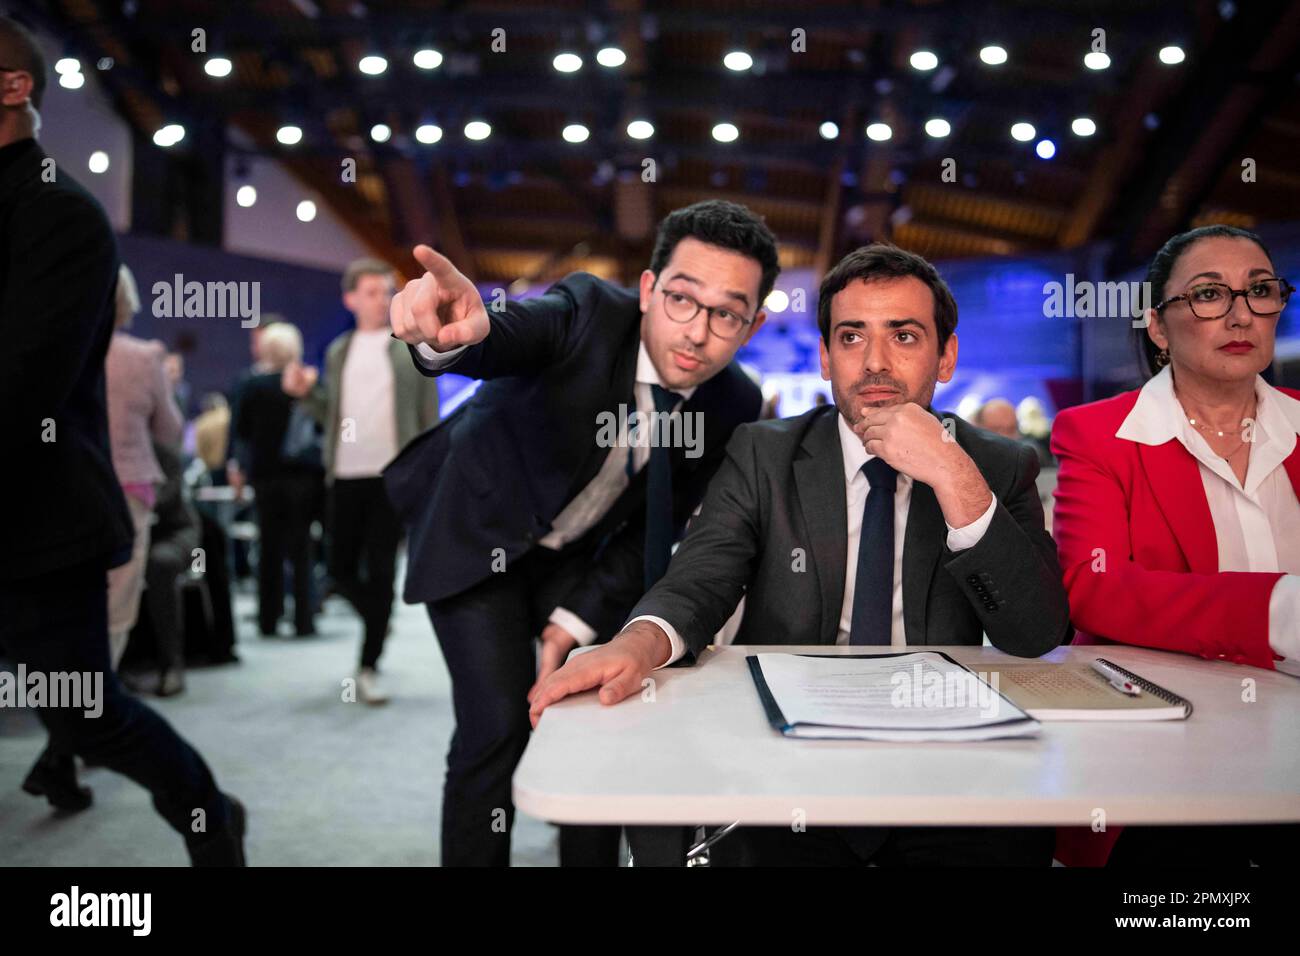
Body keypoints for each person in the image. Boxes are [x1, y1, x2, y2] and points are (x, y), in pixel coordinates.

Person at [529, 243, 1070, 867]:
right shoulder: (764, 452)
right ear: (824, 356)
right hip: (784, 764)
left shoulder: (998, 465)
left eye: (904, 336)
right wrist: (636, 643)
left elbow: (1035, 632)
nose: (874, 363)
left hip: (946, 769)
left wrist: (953, 474)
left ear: (945, 356)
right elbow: (702, 578)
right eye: (850, 336)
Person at [386, 200, 776, 866]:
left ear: (754, 323)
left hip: (581, 554)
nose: (697, 332)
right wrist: (453, 336)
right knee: (496, 728)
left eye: (727, 314)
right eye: (682, 299)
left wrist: (575, 622)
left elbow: (655, 526)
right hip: (479, 536)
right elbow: (513, 332)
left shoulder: (732, 401)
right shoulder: (590, 311)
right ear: (649, 289)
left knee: (602, 717)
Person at [0, 14, 244, 862]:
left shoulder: (59, 215)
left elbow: (20, 383)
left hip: (38, 525)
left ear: (13, 87)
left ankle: (209, 810)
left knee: (84, 714)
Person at [1050, 224, 1299, 866]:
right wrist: (1280, 610)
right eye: (1210, 294)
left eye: (1261, 291)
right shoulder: (1098, 434)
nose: (1241, 313)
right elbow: (1095, 589)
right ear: (1159, 327)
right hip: (1169, 763)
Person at [281, 258, 440, 704]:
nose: (381, 298)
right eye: (371, 292)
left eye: (386, 290)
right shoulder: (339, 351)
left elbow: (429, 414)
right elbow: (332, 413)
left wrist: (428, 470)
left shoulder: (410, 345)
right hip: (346, 474)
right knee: (338, 570)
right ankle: (378, 615)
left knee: (384, 570)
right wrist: (306, 394)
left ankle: (368, 664)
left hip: (393, 474)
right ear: (350, 299)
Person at [104, 264, 185, 666]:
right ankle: (97, 697)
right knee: (117, 602)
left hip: (60, 490)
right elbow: (170, 430)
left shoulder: (49, 351)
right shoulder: (142, 357)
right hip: (128, 488)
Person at [233, 321, 322, 637]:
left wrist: (240, 471)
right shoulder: (307, 382)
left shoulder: (251, 385)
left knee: (268, 548)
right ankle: (304, 619)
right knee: (302, 549)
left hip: (266, 478)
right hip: (303, 478)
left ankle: (268, 619)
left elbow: (240, 433)